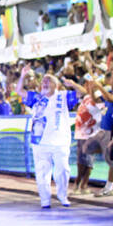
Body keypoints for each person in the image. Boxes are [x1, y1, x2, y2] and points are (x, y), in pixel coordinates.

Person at [29, 73, 72, 208]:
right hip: (40, 142)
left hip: (60, 141)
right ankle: (45, 200)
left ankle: (62, 195)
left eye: (49, 81)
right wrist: (23, 75)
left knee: (63, 170)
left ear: (57, 85)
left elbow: (82, 92)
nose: (45, 83)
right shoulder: (36, 97)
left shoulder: (63, 96)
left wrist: (73, 84)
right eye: (43, 81)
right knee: (42, 172)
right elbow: (19, 91)